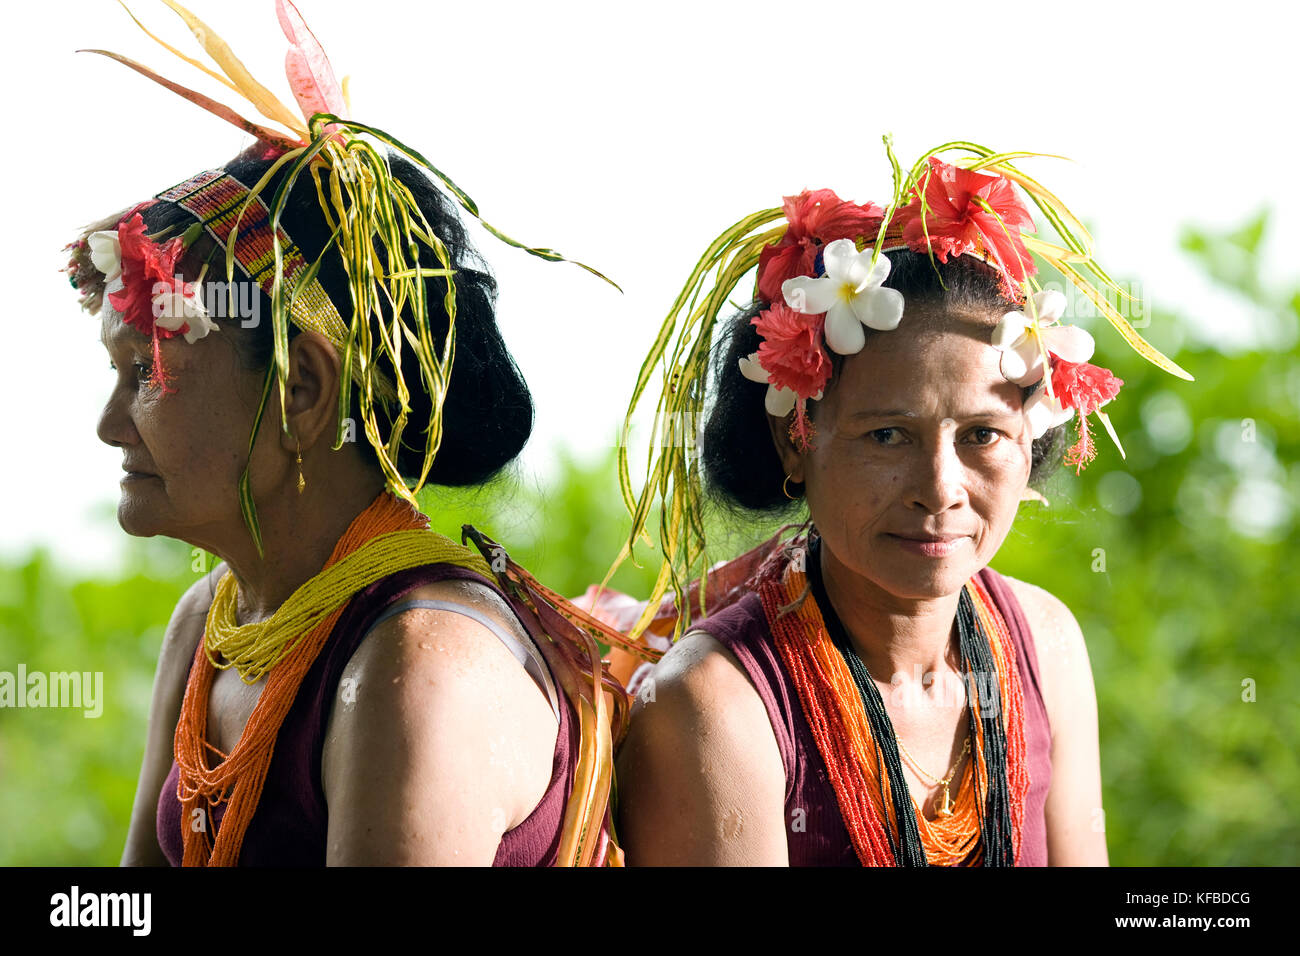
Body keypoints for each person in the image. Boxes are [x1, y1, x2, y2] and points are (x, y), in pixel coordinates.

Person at [63, 0, 618, 866]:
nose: (108, 427)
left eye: (147, 373)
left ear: (304, 392)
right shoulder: (210, 621)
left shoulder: (420, 663)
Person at [606, 142, 1194, 865]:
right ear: (796, 440)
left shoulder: (1045, 645)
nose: (940, 488)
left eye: (982, 435)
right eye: (887, 435)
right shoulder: (719, 702)